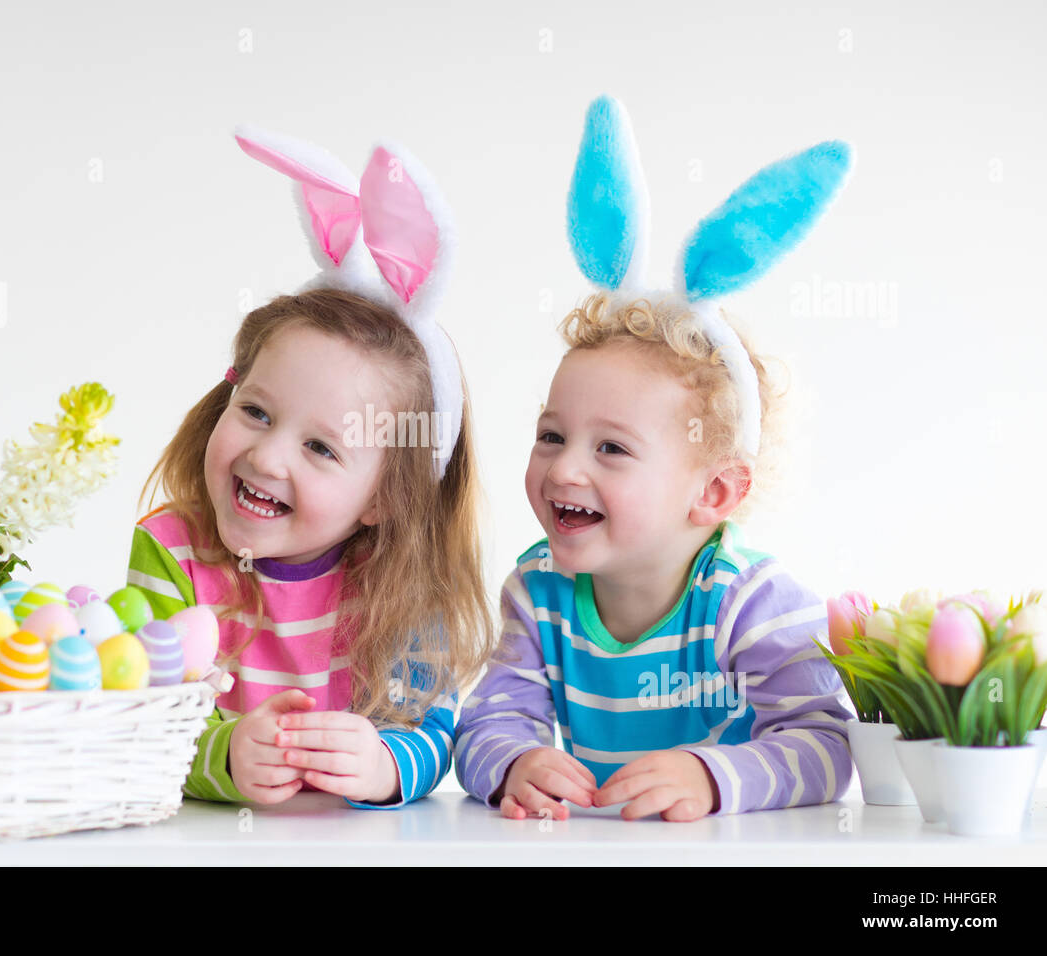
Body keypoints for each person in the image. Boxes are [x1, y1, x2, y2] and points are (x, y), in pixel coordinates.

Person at [454, 96, 856, 822]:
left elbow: (825, 745)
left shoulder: (749, 603)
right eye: (552, 435)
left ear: (714, 494)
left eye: (611, 448)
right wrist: (517, 761)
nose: (564, 469)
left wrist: (713, 778)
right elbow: (486, 721)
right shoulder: (538, 592)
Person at [128, 126, 492, 809]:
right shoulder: (171, 551)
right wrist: (227, 755)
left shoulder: (403, 583)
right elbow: (142, 722)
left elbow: (431, 729)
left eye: (321, 449)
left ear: (385, 495)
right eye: (257, 412)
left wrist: (384, 762)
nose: (265, 457)